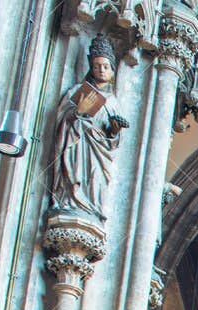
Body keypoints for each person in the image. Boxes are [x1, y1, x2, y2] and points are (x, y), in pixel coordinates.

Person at [50, 36, 129, 219]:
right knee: (74, 176)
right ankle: (68, 201)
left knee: (95, 181)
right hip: (77, 148)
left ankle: (91, 207)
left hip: (98, 157)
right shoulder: (77, 91)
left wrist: (114, 132)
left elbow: (114, 143)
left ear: (112, 70)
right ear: (91, 68)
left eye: (105, 66)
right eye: (97, 66)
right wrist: (78, 112)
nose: (101, 70)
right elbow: (62, 120)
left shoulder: (113, 103)